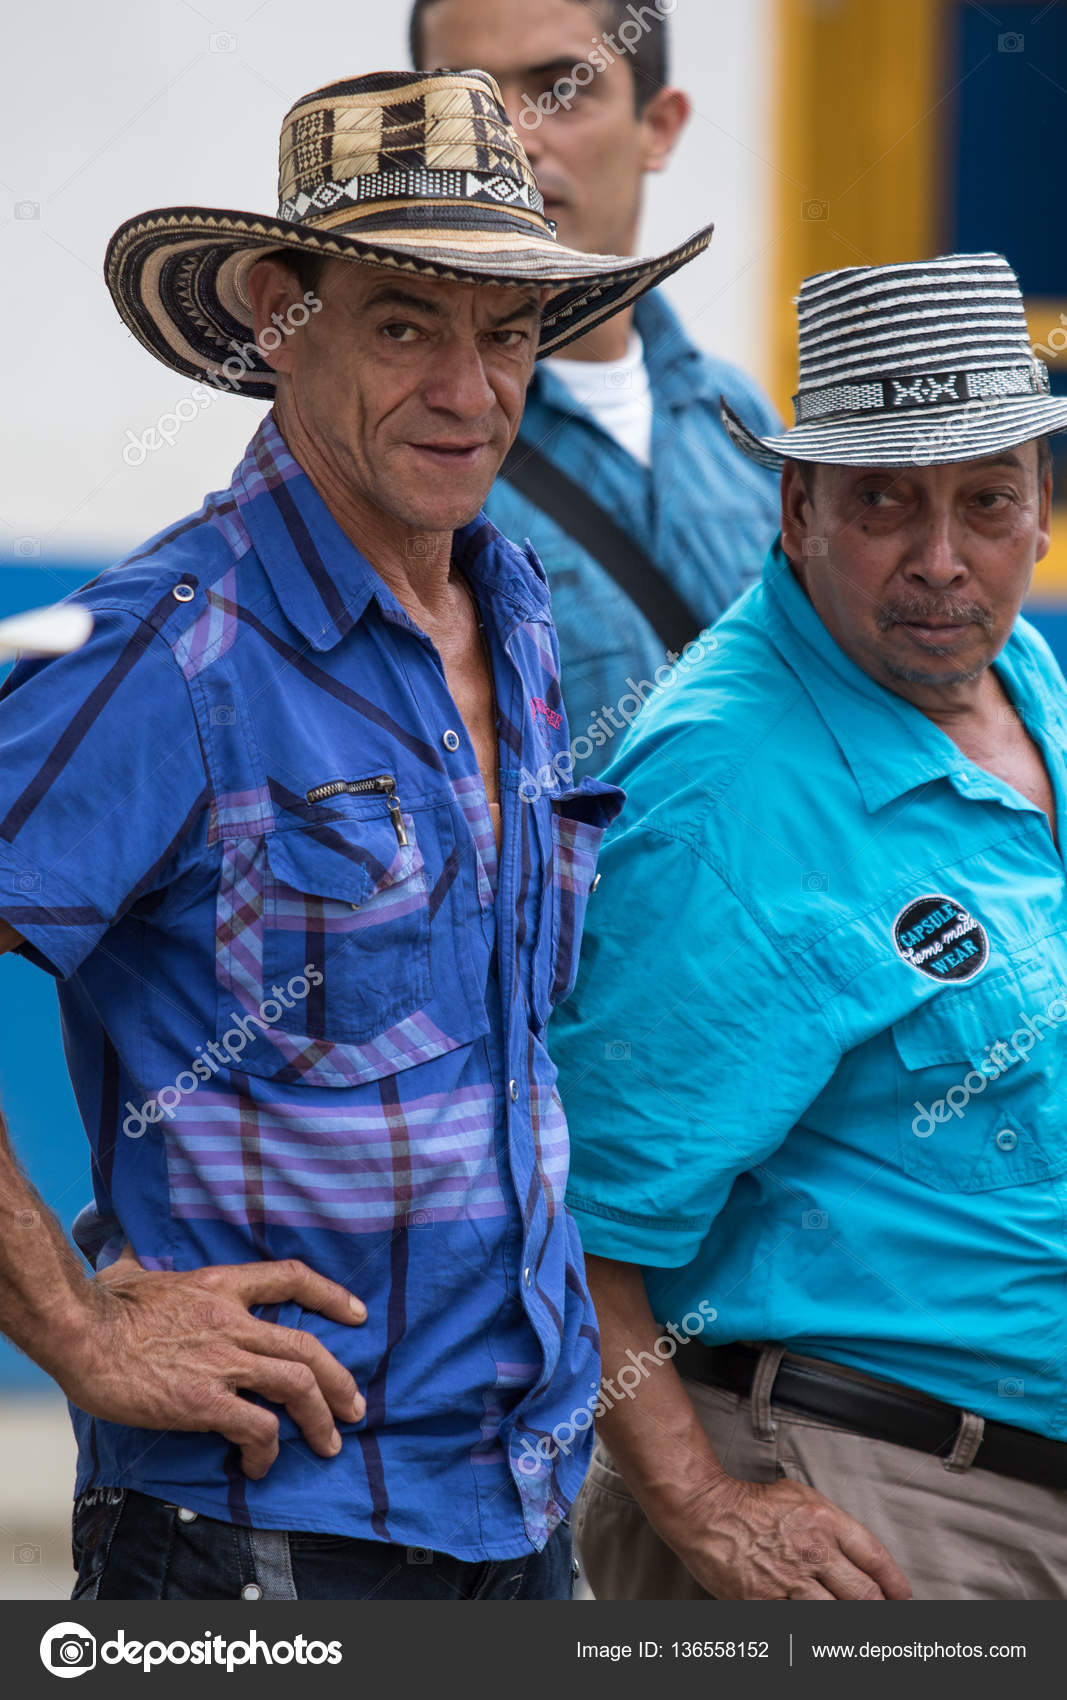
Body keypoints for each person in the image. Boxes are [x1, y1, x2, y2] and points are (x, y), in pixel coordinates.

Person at [0, 67, 714, 1601]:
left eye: (507, 332)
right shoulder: (166, 646)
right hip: (262, 1544)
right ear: (282, 314)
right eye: (404, 324)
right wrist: (73, 1320)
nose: (468, 390)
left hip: (515, 1524)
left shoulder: (509, 617)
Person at [548, 251, 1067, 1601]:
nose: (940, 559)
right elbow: (573, 1215)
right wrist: (707, 1512)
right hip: (874, 1512)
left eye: (984, 501)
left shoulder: (1013, 667)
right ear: (794, 508)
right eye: (882, 502)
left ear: (1041, 510)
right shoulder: (725, 793)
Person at [410, 0, 781, 780]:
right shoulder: (405, 437)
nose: (513, 138)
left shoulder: (736, 416)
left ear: (660, 127)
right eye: (463, 103)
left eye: (562, 88)